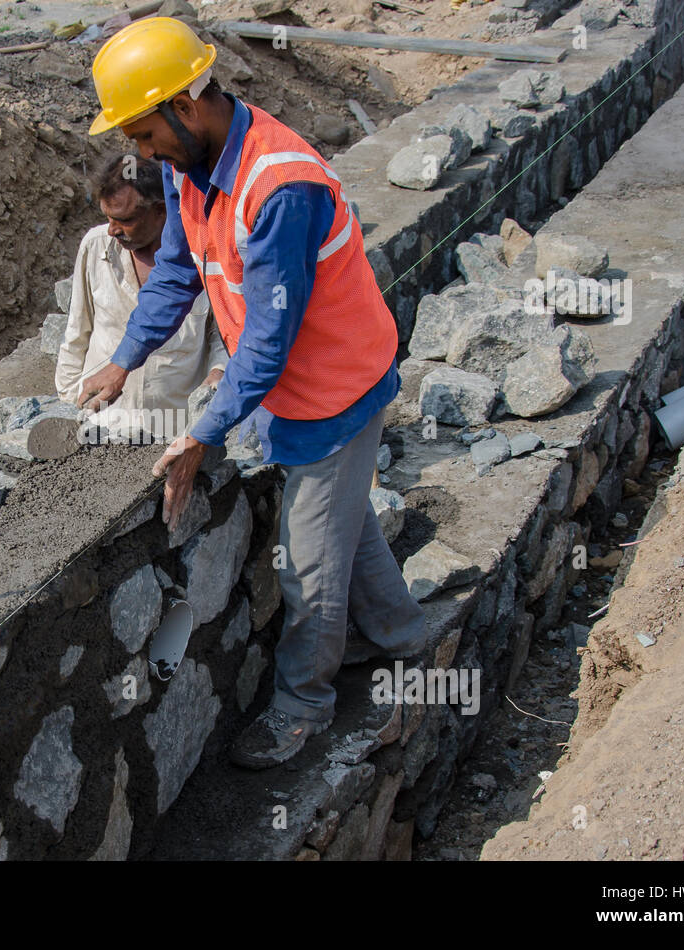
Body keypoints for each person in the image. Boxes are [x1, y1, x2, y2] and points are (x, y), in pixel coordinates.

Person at [81, 18, 427, 770]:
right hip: (297, 388)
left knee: (307, 566)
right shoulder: (189, 165)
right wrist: (123, 358)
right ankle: (401, 635)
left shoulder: (279, 187)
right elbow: (177, 268)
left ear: (188, 103)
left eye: (145, 132)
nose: (141, 152)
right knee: (341, 523)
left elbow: (268, 340)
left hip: (334, 391)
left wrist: (203, 432)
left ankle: (304, 706)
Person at [56, 153, 227, 441]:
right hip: (103, 428)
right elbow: (77, 331)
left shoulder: (204, 256)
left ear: (162, 211)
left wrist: (218, 373)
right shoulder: (97, 247)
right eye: (108, 218)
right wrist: (69, 399)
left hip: (172, 432)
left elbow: (221, 335)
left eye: (124, 219)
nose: (113, 229)